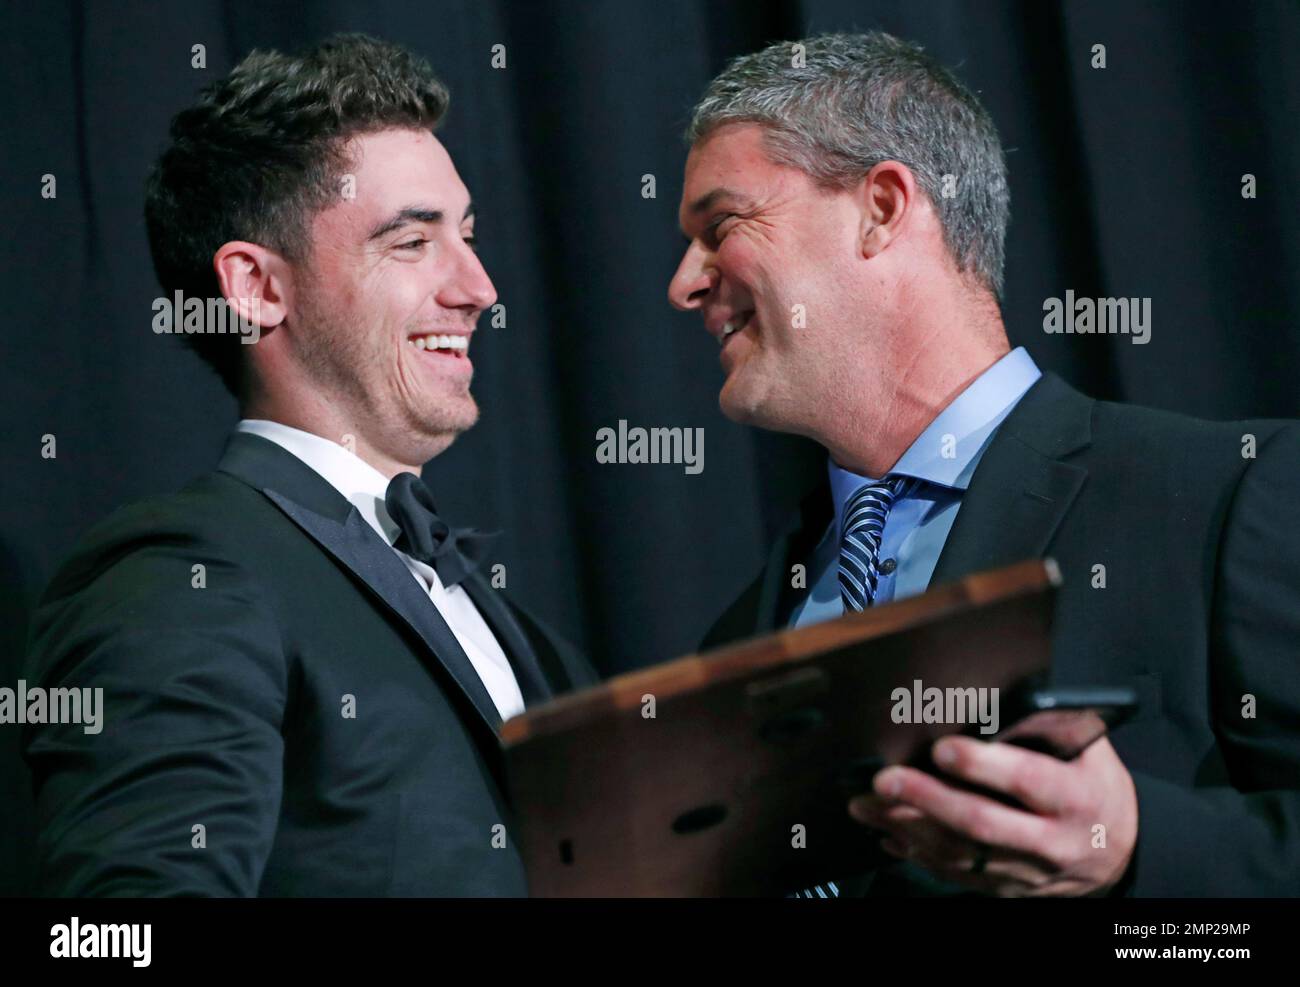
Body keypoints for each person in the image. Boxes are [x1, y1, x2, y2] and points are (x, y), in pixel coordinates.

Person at [668, 32, 1300, 896]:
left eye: (722, 226)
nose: (684, 283)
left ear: (882, 206)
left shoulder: (1226, 496)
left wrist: (1133, 851)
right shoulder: (740, 637)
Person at [22, 33, 595, 896]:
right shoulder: (184, 577)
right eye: (412, 242)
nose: (479, 287)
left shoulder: (514, 626)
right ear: (255, 287)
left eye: (468, 235)